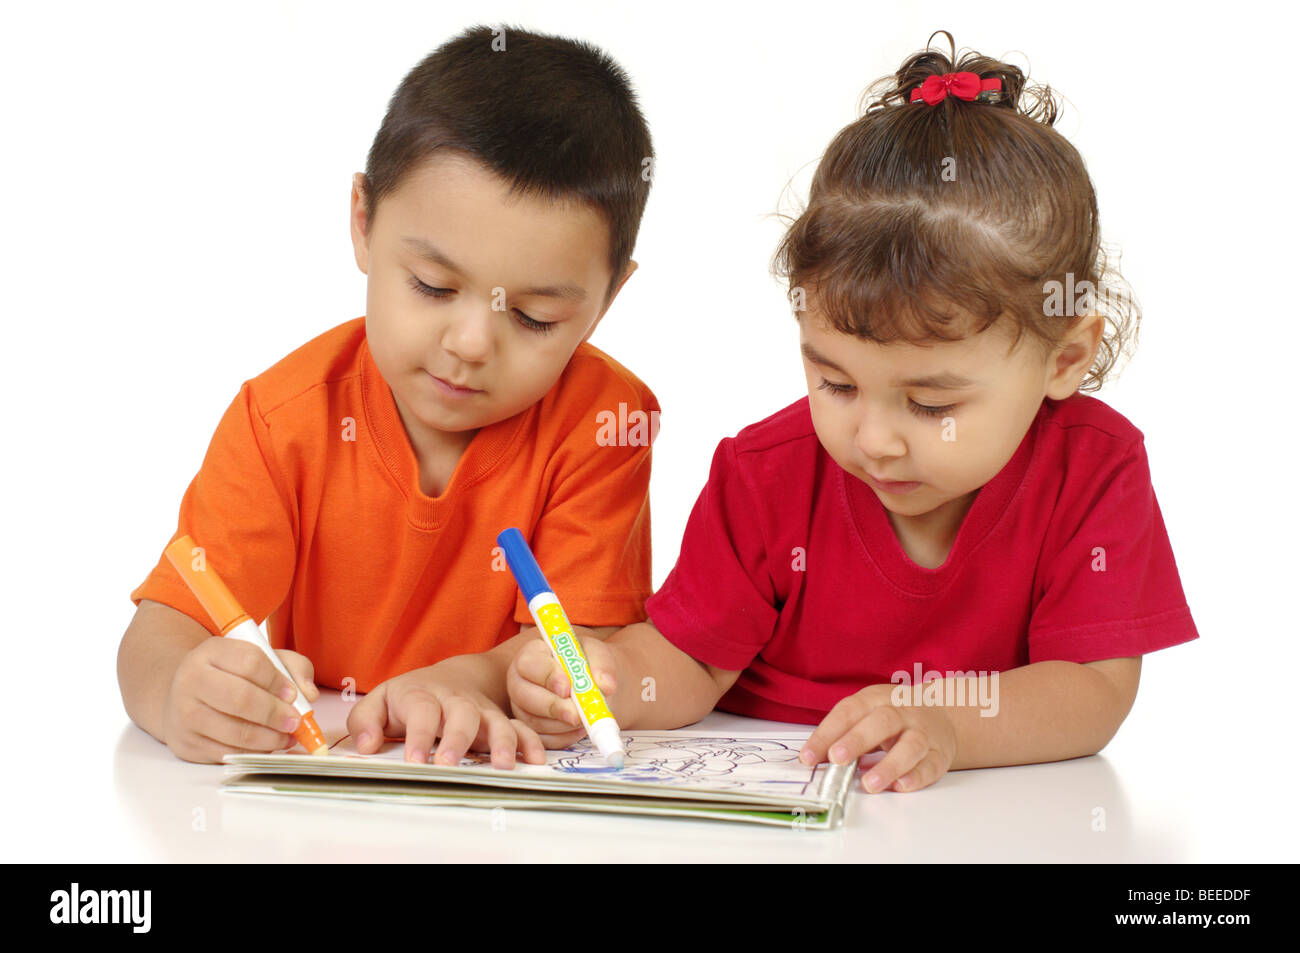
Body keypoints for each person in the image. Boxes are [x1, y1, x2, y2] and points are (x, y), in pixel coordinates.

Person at [507, 31, 1199, 794]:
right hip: (770, 786)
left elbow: (1092, 691)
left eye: (930, 402)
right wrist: (609, 677)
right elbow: (692, 662)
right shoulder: (764, 475)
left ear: (1064, 358)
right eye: (835, 383)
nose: (871, 440)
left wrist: (947, 724)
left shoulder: (1094, 466)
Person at [118, 24, 658, 767]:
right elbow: (164, 627)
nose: (471, 343)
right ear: (364, 222)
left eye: (534, 316)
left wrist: (463, 682)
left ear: (607, 298)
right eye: (433, 286)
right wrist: (178, 690)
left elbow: (577, 648)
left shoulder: (606, 422)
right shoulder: (283, 419)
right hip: (325, 788)